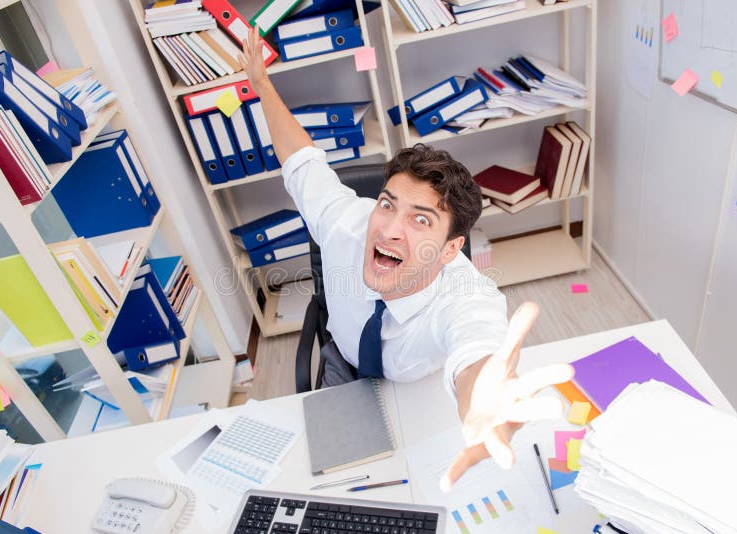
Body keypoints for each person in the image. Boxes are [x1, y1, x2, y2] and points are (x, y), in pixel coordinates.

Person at [239, 27, 573, 490]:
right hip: (346, 365)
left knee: (425, 486)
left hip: (420, 389)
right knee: (340, 485)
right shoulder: (347, 223)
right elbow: (302, 161)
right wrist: (261, 82)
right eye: (388, 204)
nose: (390, 228)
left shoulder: (465, 293)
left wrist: (481, 396)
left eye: (421, 221)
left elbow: (476, 343)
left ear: (451, 249)